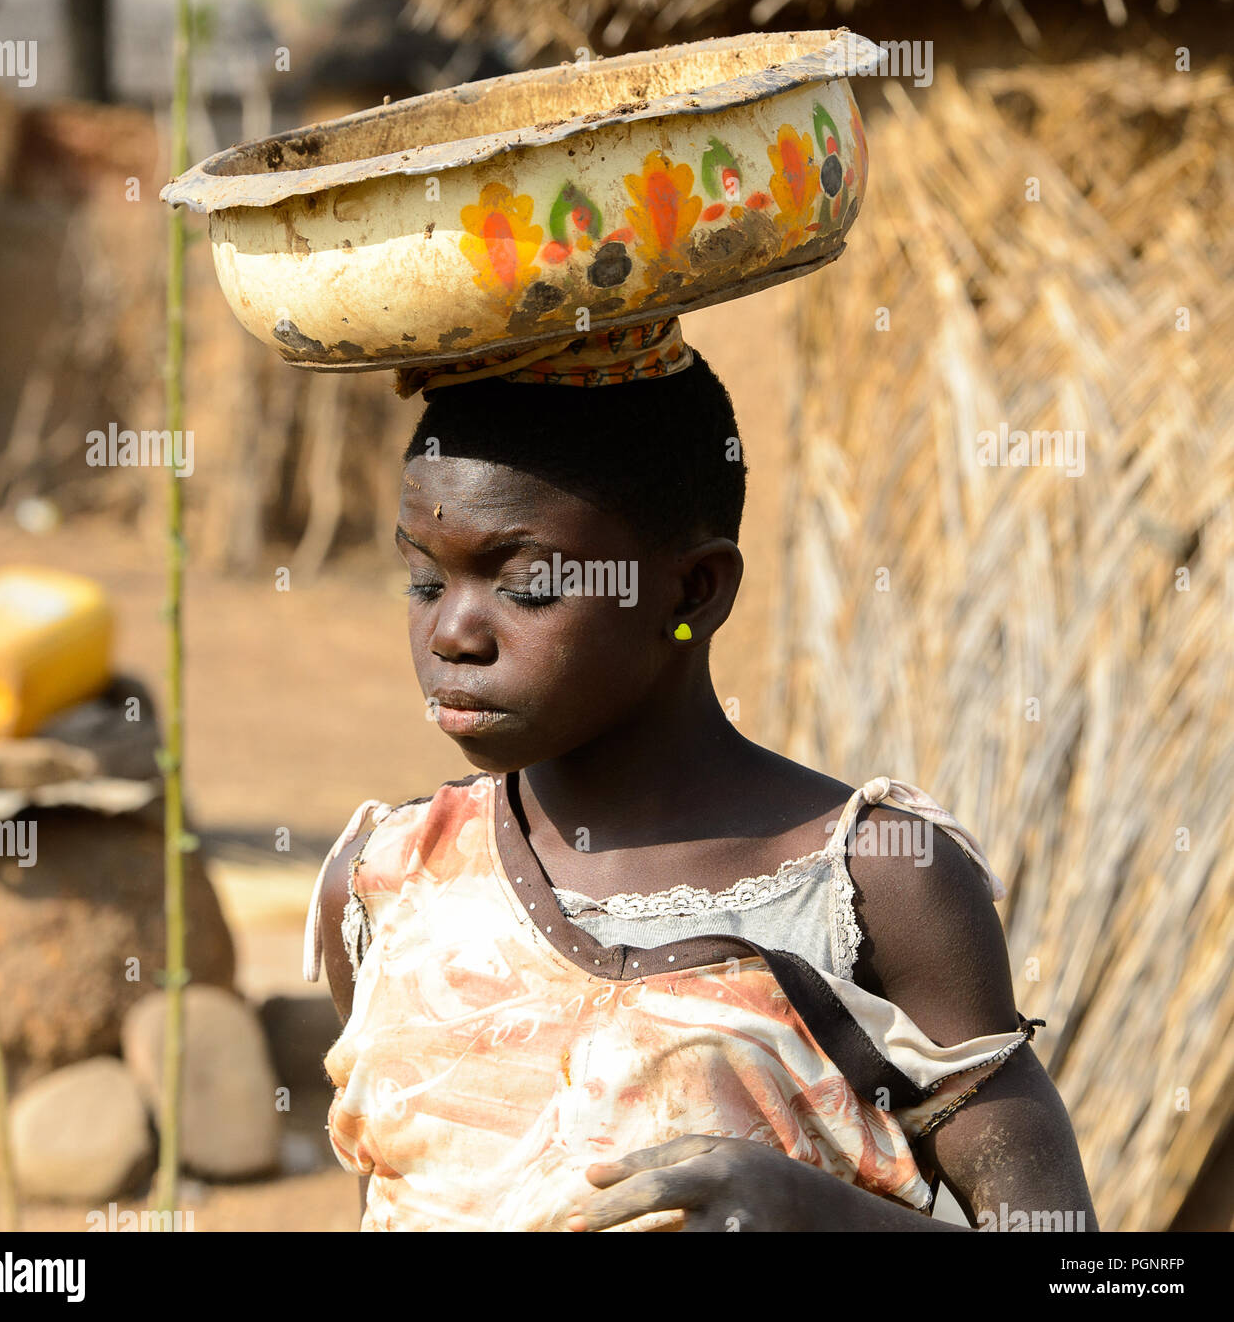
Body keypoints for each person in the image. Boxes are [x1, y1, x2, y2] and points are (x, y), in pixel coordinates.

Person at [302, 318, 1097, 1232]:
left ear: (694, 592)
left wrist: (825, 1221)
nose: (452, 634)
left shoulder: (873, 884)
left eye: (523, 585)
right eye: (424, 582)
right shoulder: (388, 882)